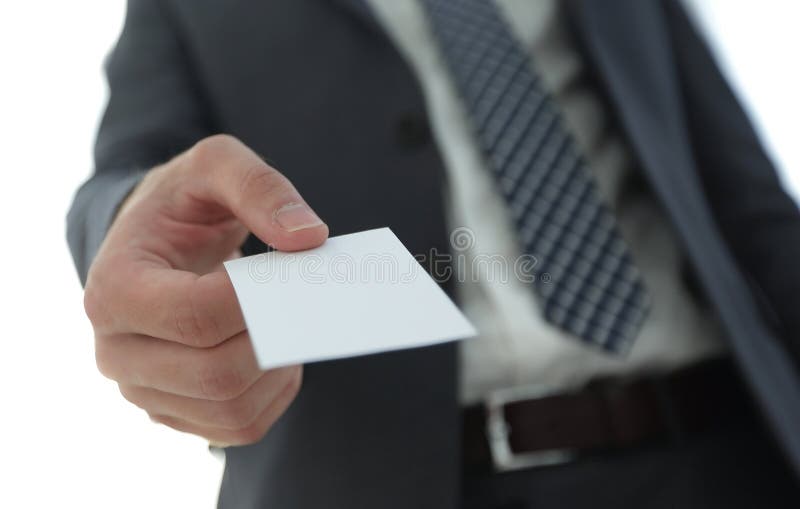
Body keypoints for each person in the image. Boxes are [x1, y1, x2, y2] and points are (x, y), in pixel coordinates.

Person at [67, 0, 800, 507]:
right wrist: (126, 225)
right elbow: (130, 183)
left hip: (724, 450)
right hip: (396, 474)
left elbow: (753, 208)